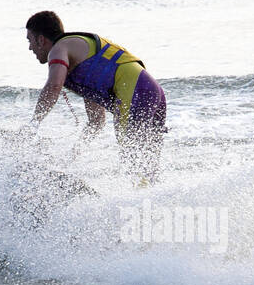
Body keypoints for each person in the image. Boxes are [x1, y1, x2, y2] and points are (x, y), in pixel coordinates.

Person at [25, 10, 166, 185]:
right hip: (153, 92)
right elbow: (96, 120)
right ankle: (157, 200)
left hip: (135, 92)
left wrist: (34, 123)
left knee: (132, 159)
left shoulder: (59, 48)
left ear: (41, 40)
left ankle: (141, 205)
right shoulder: (83, 59)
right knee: (147, 164)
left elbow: (54, 85)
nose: (30, 47)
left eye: (30, 40)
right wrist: (73, 154)